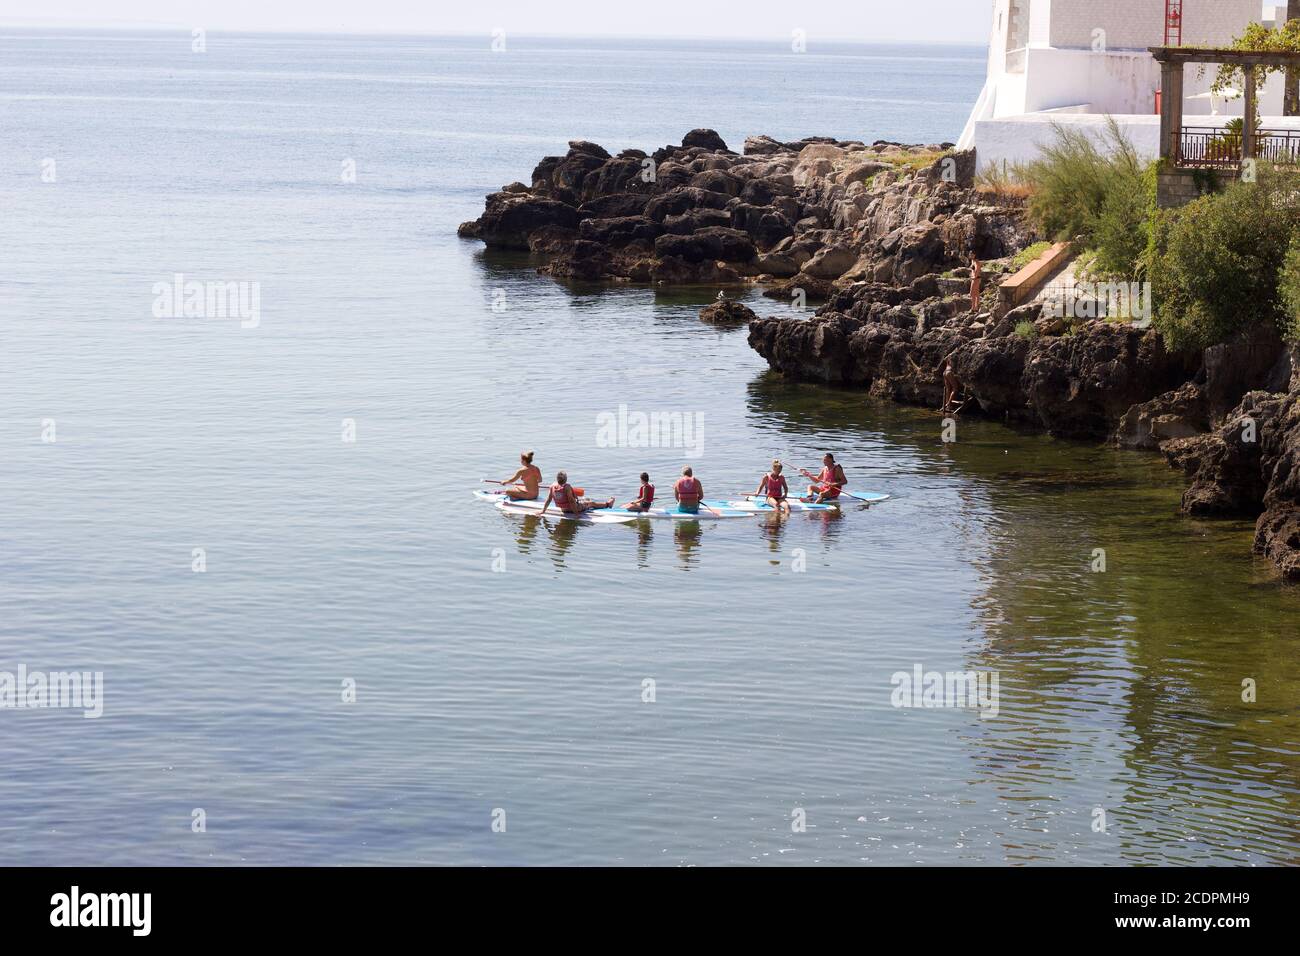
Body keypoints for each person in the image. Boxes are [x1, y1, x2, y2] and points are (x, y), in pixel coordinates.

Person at [539, 471, 613, 516]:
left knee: (585, 500)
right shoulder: (567, 487)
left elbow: (548, 499)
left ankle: (587, 502)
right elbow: (571, 501)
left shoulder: (552, 486)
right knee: (592, 503)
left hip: (563, 509)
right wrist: (576, 514)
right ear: (566, 479)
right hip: (573, 509)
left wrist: (543, 511)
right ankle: (608, 504)